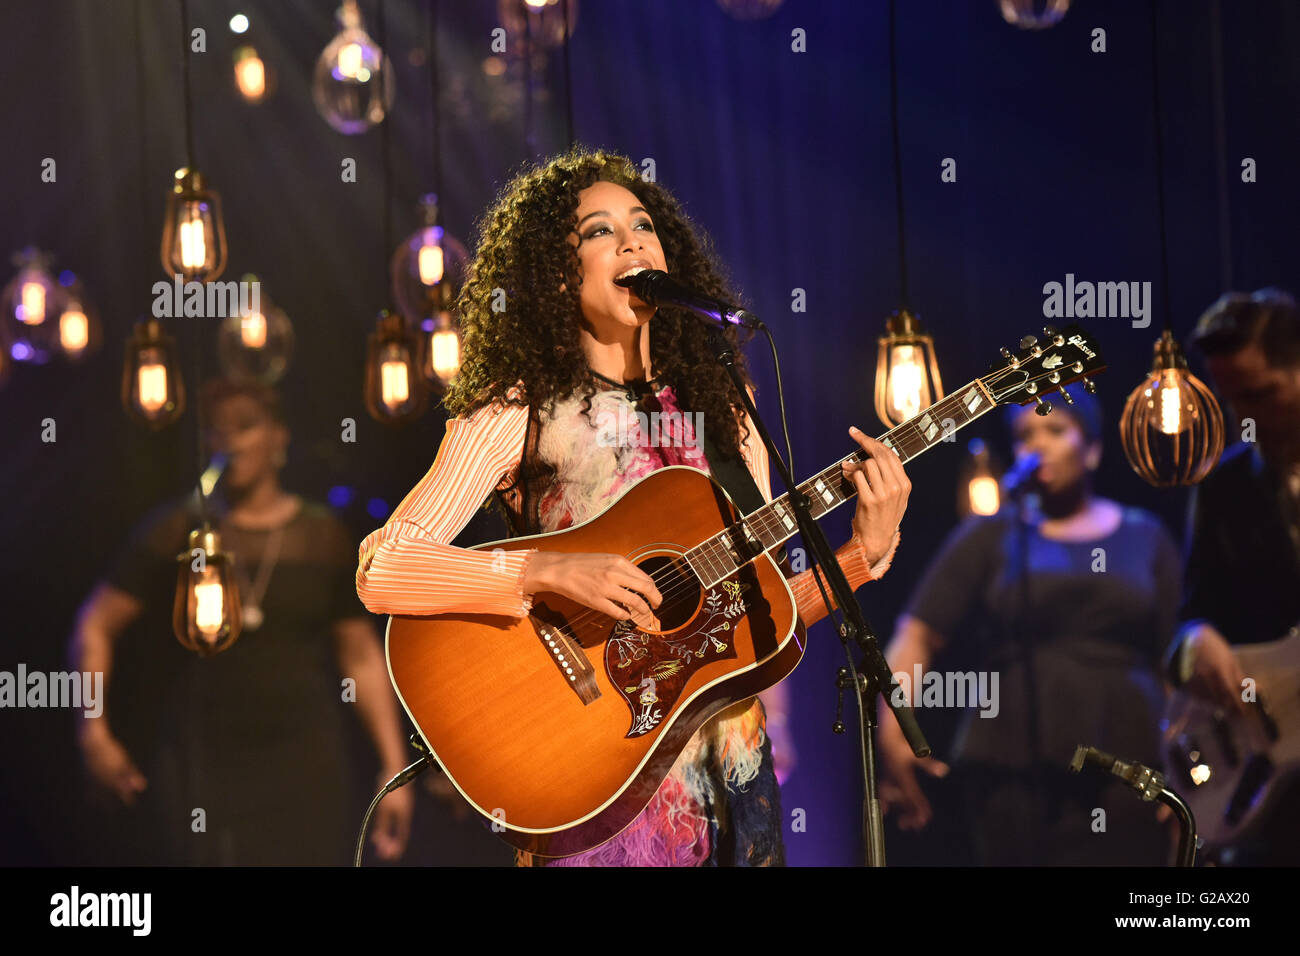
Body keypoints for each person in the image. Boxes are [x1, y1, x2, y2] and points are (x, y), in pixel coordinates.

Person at [355, 145, 911, 867]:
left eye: (643, 225)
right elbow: (383, 567)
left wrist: (858, 560)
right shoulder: (519, 410)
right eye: (598, 231)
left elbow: (759, 624)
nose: (631, 242)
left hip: (735, 792)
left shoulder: (724, 411)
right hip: (595, 800)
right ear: (560, 274)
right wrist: (547, 572)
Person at [72, 378, 413, 865]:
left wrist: (393, 766)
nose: (228, 441)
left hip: (304, 763)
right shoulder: (180, 530)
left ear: (280, 436)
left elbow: (359, 655)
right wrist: (94, 733)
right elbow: (96, 623)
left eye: (245, 426)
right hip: (205, 761)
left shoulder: (322, 535)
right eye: (215, 430)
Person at [878, 383, 1181, 865]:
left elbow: (1176, 662)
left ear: (1094, 448)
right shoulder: (991, 533)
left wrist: (1184, 758)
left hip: (1130, 762)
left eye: (1056, 429)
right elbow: (916, 633)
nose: (1037, 444)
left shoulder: (1146, 536)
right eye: (1024, 436)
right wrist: (894, 733)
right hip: (1010, 768)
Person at [1162, 288, 1300, 864]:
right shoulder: (1222, 485)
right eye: (1232, 398)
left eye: (1262, 394)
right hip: (1274, 810)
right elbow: (1191, 619)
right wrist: (1195, 643)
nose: (1245, 418)